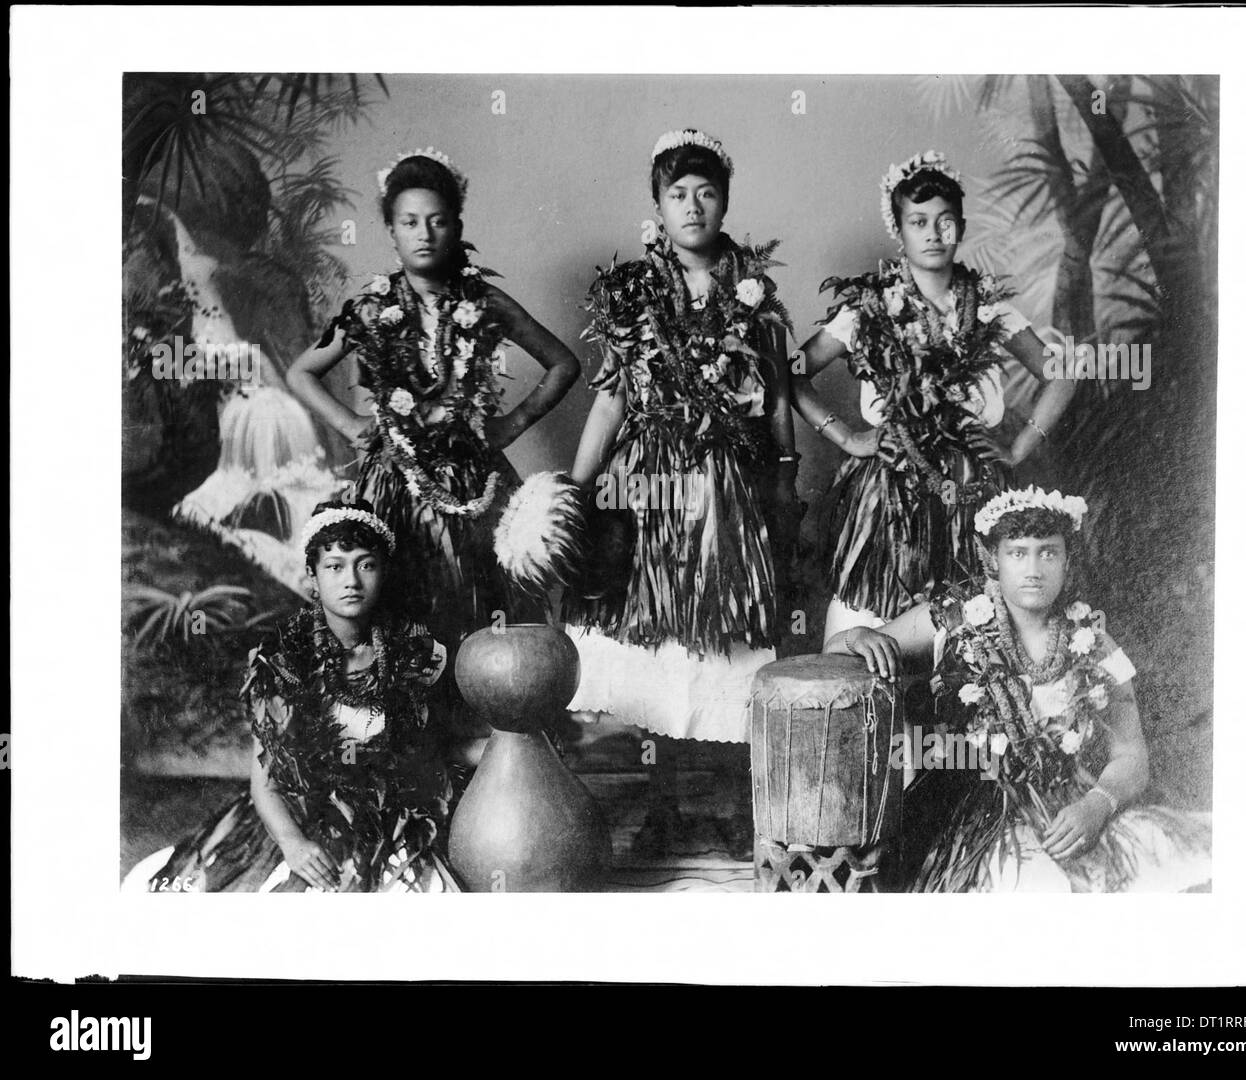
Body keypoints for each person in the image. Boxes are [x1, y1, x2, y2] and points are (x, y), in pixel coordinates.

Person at [562, 129, 801, 858]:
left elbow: (779, 394)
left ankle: (730, 803)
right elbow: (610, 397)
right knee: (662, 645)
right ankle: (663, 806)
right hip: (650, 491)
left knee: (725, 647)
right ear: (657, 206)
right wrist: (577, 486)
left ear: (724, 200)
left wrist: (787, 471)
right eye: (677, 194)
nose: (692, 206)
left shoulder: (752, 292)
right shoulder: (634, 291)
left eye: (705, 192)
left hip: (729, 491)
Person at [826, 486, 1211, 892]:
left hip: (1069, 806)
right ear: (993, 560)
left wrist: (1099, 804)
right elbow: (838, 649)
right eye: (1017, 553)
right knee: (1033, 886)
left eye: (1048, 552)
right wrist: (856, 638)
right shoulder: (952, 619)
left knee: (1167, 863)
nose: (1033, 569)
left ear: (1067, 560)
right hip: (966, 809)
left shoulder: (1096, 641)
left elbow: (1132, 754)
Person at [286, 148, 580, 651]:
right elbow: (301, 372)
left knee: (484, 601)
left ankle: (490, 707)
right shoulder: (371, 307)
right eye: (410, 222)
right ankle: (411, 717)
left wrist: (513, 422)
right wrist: (353, 425)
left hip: (472, 474)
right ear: (391, 231)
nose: (424, 234)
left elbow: (563, 363)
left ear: (457, 226)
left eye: (437, 221)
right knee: (404, 599)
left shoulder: (483, 302)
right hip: (395, 478)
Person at [792, 151, 1076, 642]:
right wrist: (848, 438)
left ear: (961, 228)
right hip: (889, 489)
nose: (933, 233)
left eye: (945, 221)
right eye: (918, 221)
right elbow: (791, 373)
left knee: (968, 621)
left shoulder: (988, 307)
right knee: (872, 617)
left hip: (971, 485)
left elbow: (1063, 372)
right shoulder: (869, 308)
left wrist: (1017, 448)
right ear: (899, 231)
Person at [124, 500, 460, 892]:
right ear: (313, 577)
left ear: (383, 573)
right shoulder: (284, 666)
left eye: (365, 564)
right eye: (334, 566)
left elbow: (438, 743)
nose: (351, 580)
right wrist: (293, 843)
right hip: (302, 821)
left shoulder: (416, 656)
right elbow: (263, 785)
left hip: (390, 826)